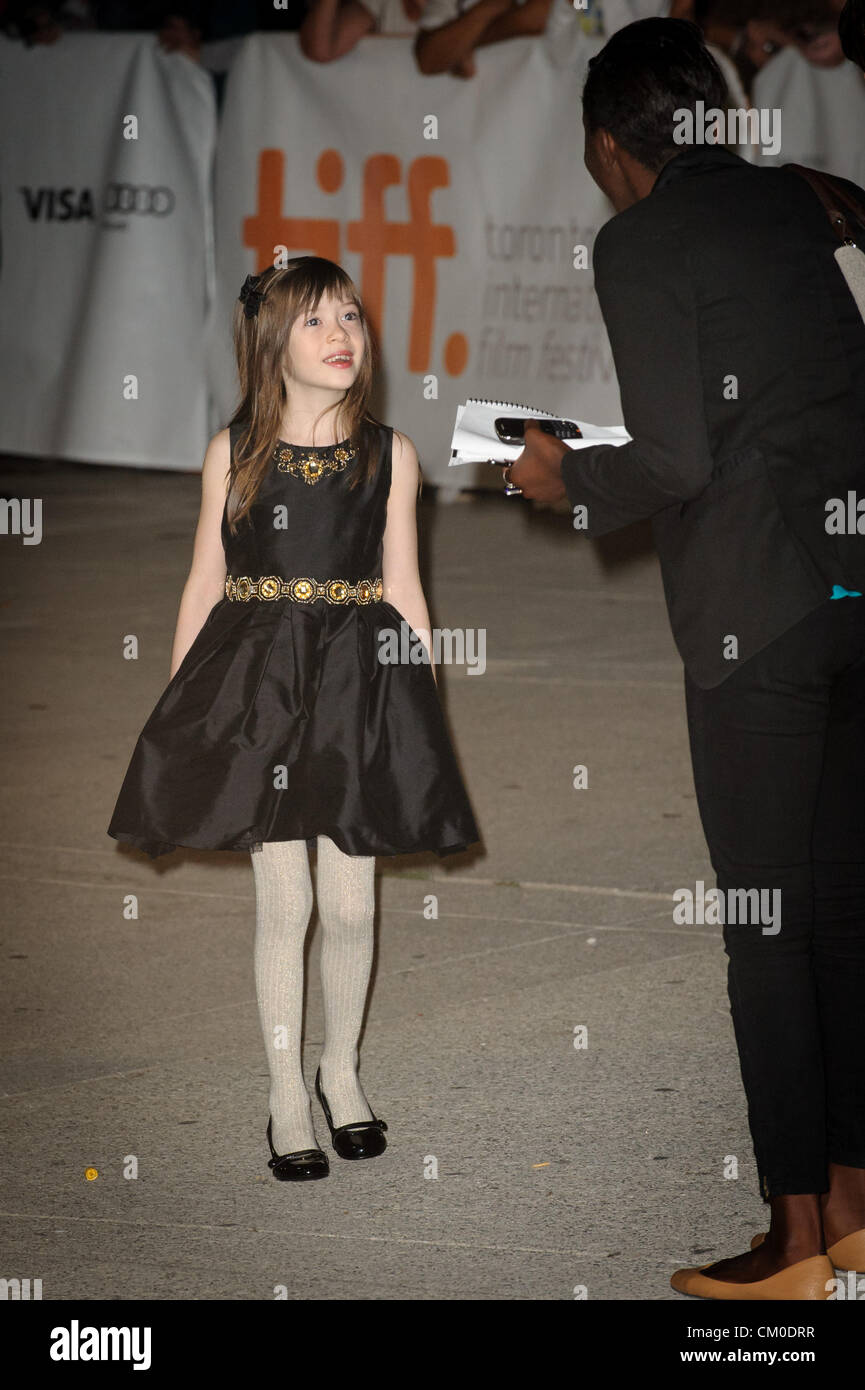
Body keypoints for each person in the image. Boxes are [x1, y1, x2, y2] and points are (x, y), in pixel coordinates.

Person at [506, 17, 865, 1300]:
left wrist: (560, 477)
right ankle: (856, 1211)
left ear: (609, 146)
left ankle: (791, 1240)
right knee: (839, 905)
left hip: (755, 615)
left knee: (766, 923)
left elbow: (672, 463)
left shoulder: (639, 238)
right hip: (852, 586)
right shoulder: (797, 199)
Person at [108, 256, 480, 1181]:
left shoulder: (389, 455)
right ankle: (284, 1093)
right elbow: (203, 582)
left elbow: (405, 585)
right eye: (316, 321)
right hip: (261, 684)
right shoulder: (230, 452)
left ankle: (339, 1071)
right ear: (274, 343)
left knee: (352, 904)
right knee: (289, 902)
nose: (342, 334)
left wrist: (418, 711)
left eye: (350, 316)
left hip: (359, 682)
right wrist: (184, 708)